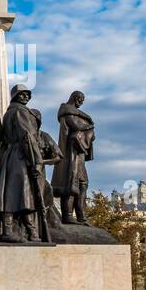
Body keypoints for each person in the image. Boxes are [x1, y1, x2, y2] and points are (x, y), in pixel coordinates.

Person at [0, 83, 45, 243]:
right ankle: (31, 232)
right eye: (22, 94)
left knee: (11, 193)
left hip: (11, 156)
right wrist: (36, 161)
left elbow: (0, 136)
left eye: (27, 94)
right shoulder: (21, 112)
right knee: (25, 194)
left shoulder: (9, 113)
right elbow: (28, 137)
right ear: (15, 96)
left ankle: (16, 230)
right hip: (22, 156)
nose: (26, 97)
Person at [52, 91, 95, 225]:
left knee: (83, 185)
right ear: (75, 98)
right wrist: (89, 126)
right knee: (70, 186)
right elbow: (76, 126)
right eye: (80, 100)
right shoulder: (67, 112)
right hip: (70, 155)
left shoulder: (74, 113)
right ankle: (68, 216)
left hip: (79, 155)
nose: (81, 103)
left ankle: (82, 217)